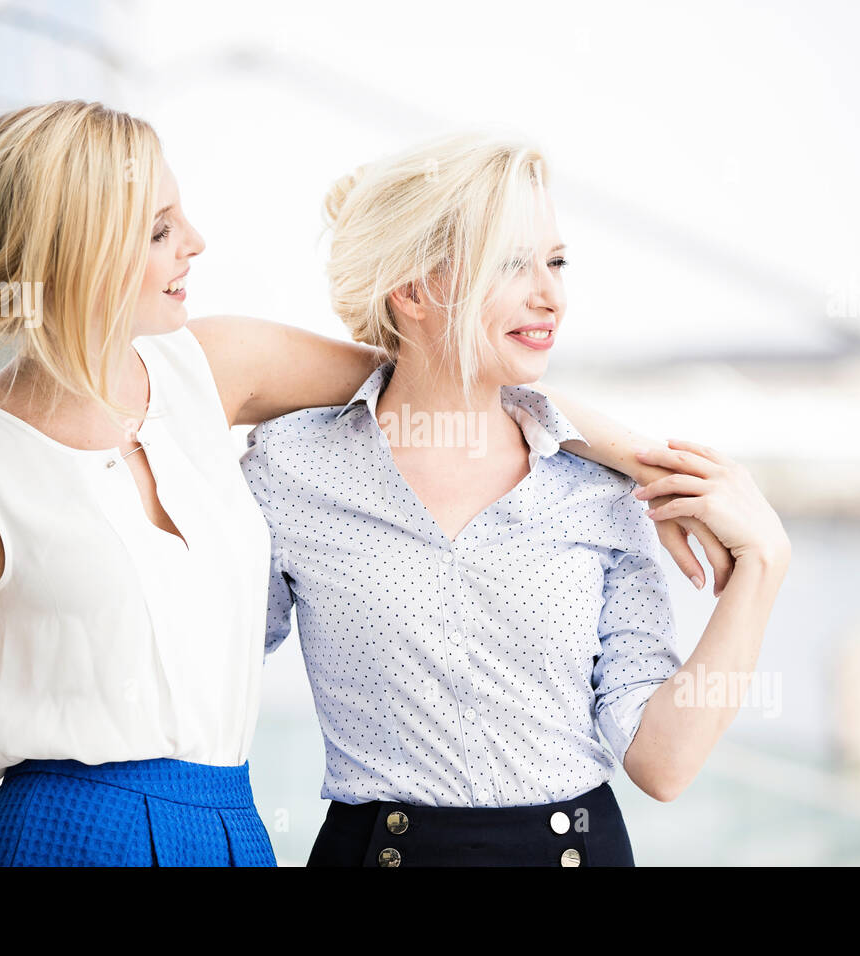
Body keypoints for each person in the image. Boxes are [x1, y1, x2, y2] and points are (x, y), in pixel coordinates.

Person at [0, 101, 729, 867]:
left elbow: (445, 372)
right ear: (83, 251)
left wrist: (650, 466)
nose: (198, 243)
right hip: (61, 840)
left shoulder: (213, 368)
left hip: (229, 829)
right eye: (161, 229)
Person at [239, 132, 791, 866]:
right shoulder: (293, 469)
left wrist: (764, 566)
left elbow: (663, 763)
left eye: (556, 262)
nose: (550, 294)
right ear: (413, 290)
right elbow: (212, 672)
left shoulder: (596, 487)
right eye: (512, 264)